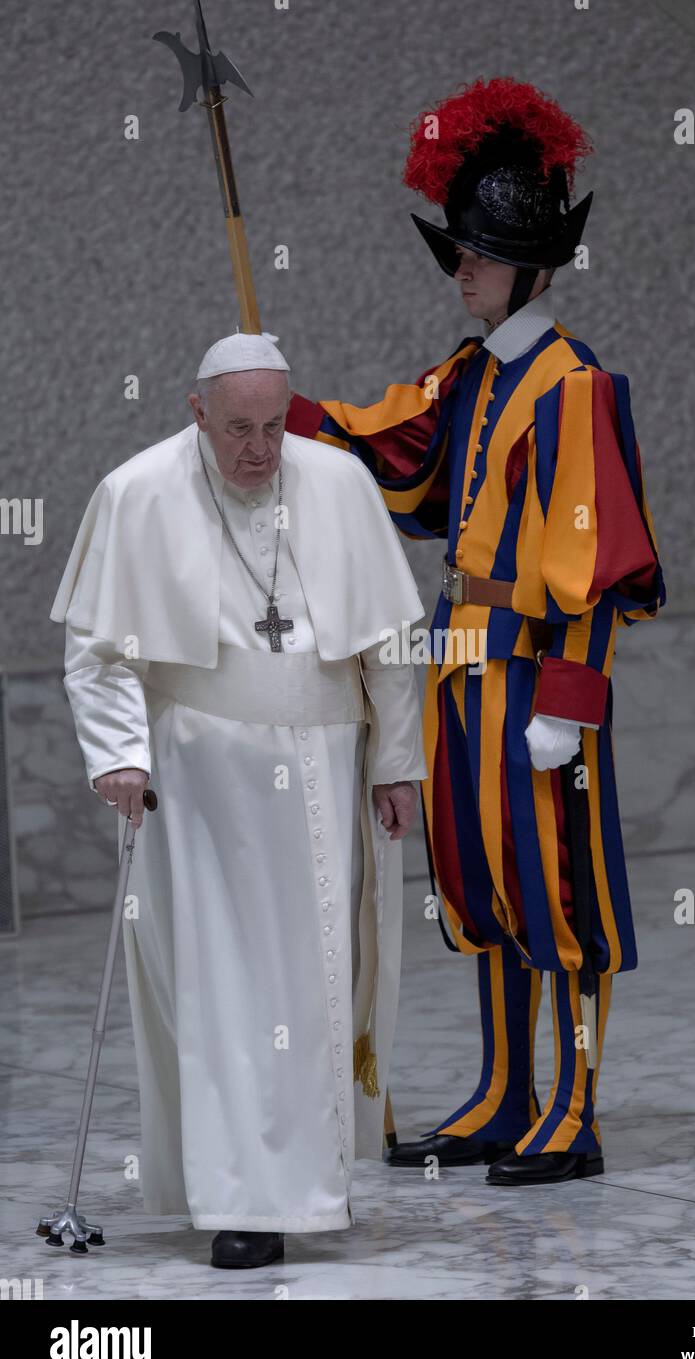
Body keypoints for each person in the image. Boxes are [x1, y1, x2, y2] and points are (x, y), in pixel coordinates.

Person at [286, 79, 666, 1186]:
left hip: (535, 676)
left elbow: (595, 577)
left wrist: (568, 700)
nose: (460, 269)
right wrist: (285, 403)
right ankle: (506, 1093)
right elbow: (387, 454)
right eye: (459, 251)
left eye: (478, 254)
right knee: (482, 890)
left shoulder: (573, 389)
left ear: (531, 264)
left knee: (561, 901)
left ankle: (572, 1108)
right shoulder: (470, 377)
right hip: (461, 665)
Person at [50, 331, 427, 1266]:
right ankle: (241, 1200)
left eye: (272, 427)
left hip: (322, 771)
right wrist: (118, 757)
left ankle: (306, 1187)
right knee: (218, 985)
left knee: (311, 979)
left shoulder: (336, 484)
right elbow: (95, 653)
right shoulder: (136, 492)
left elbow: (389, 642)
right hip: (201, 783)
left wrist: (396, 763)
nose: (258, 450)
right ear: (196, 413)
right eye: (238, 431)